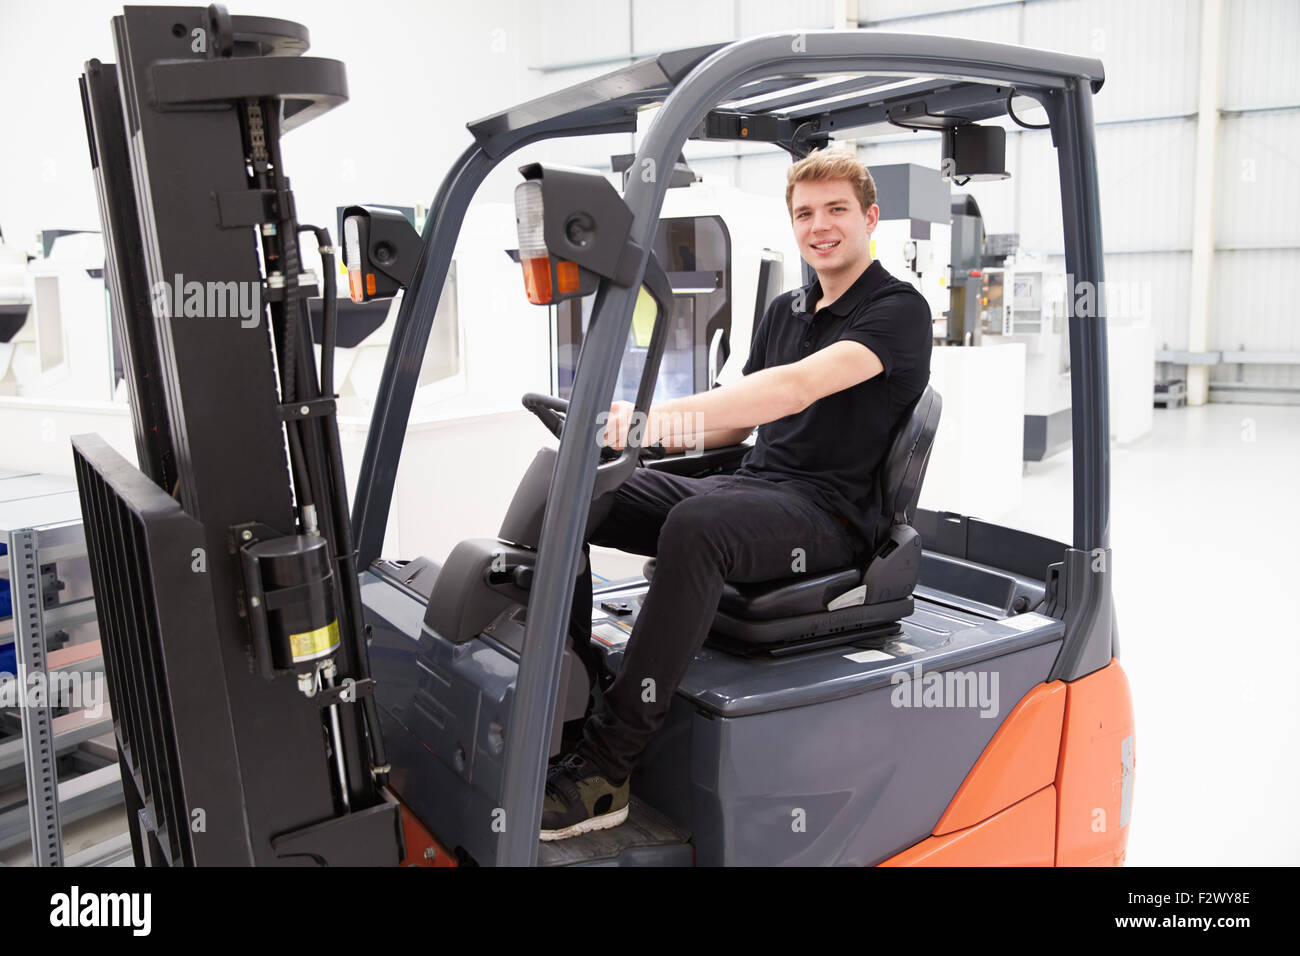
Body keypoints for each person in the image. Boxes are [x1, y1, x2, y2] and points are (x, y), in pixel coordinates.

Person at [540, 148, 934, 841]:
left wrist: (649, 419)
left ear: (870, 218)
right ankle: (575, 690)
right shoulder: (786, 311)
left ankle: (606, 768)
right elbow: (738, 418)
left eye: (836, 210)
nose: (819, 226)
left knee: (699, 526)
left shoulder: (898, 310)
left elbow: (795, 388)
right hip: (757, 483)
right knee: (578, 490)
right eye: (805, 213)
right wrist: (638, 442)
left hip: (829, 515)